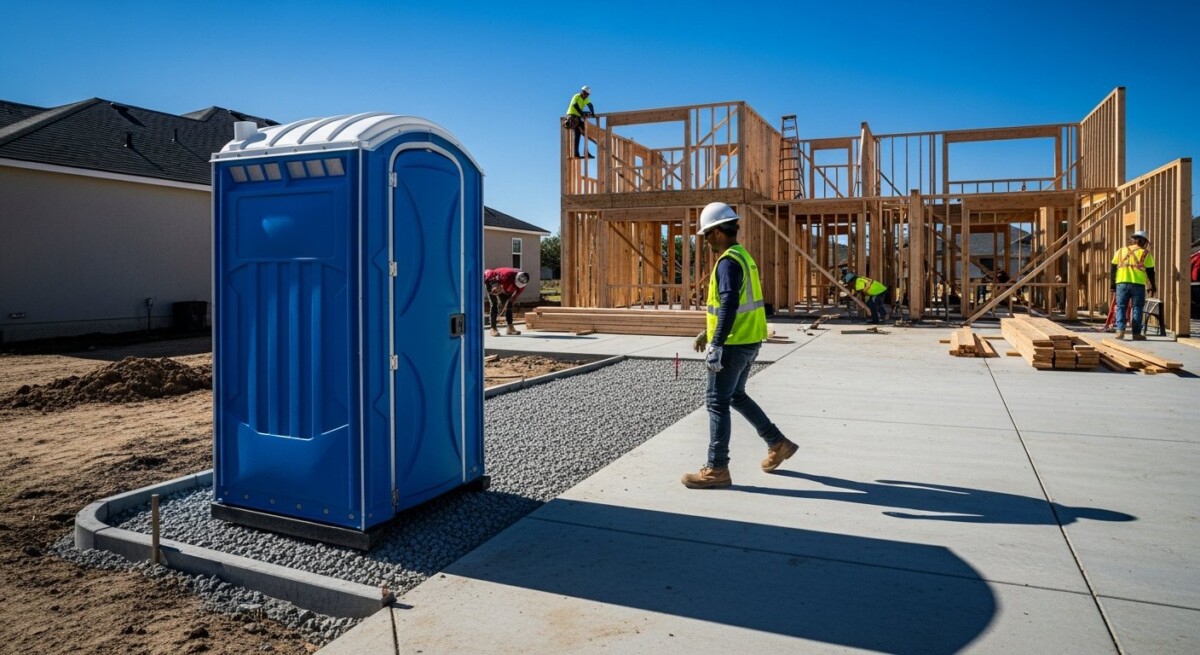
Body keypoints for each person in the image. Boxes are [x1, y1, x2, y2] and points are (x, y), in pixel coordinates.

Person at [683, 203, 796, 489]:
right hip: (748, 341)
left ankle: (717, 468)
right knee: (736, 396)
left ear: (720, 231)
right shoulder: (743, 257)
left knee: (716, 403)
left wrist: (717, 343)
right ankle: (777, 442)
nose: (706, 241)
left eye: (707, 234)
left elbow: (731, 303)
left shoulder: (727, 262)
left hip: (733, 345)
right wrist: (706, 332)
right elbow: (730, 306)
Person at [1110, 230, 1156, 340]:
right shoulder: (1145, 253)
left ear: (1133, 240)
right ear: (1144, 241)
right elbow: (1150, 271)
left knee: (1121, 307)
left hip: (1121, 283)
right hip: (1138, 284)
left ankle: (1120, 331)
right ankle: (1136, 333)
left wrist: (1112, 285)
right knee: (1138, 308)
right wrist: (1153, 286)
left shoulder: (1120, 251)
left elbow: (1113, 268)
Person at [484, 268, 529, 337]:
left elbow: (515, 294)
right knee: (494, 304)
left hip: (505, 287)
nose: (517, 286)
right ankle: (493, 328)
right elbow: (489, 275)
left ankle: (510, 328)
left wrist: (510, 302)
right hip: (492, 281)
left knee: (509, 306)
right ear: (515, 279)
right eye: (516, 285)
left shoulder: (522, 283)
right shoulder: (506, 275)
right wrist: (494, 286)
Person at [564, 85, 596, 158]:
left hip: (577, 117)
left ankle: (583, 152)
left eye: (587, 95)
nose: (585, 95)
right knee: (579, 132)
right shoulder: (577, 96)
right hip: (572, 116)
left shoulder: (586, 99)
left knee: (584, 132)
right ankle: (577, 153)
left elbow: (590, 105)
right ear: (582, 92)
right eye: (584, 93)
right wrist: (581, 113)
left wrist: (592, 112)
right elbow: (575, 105)